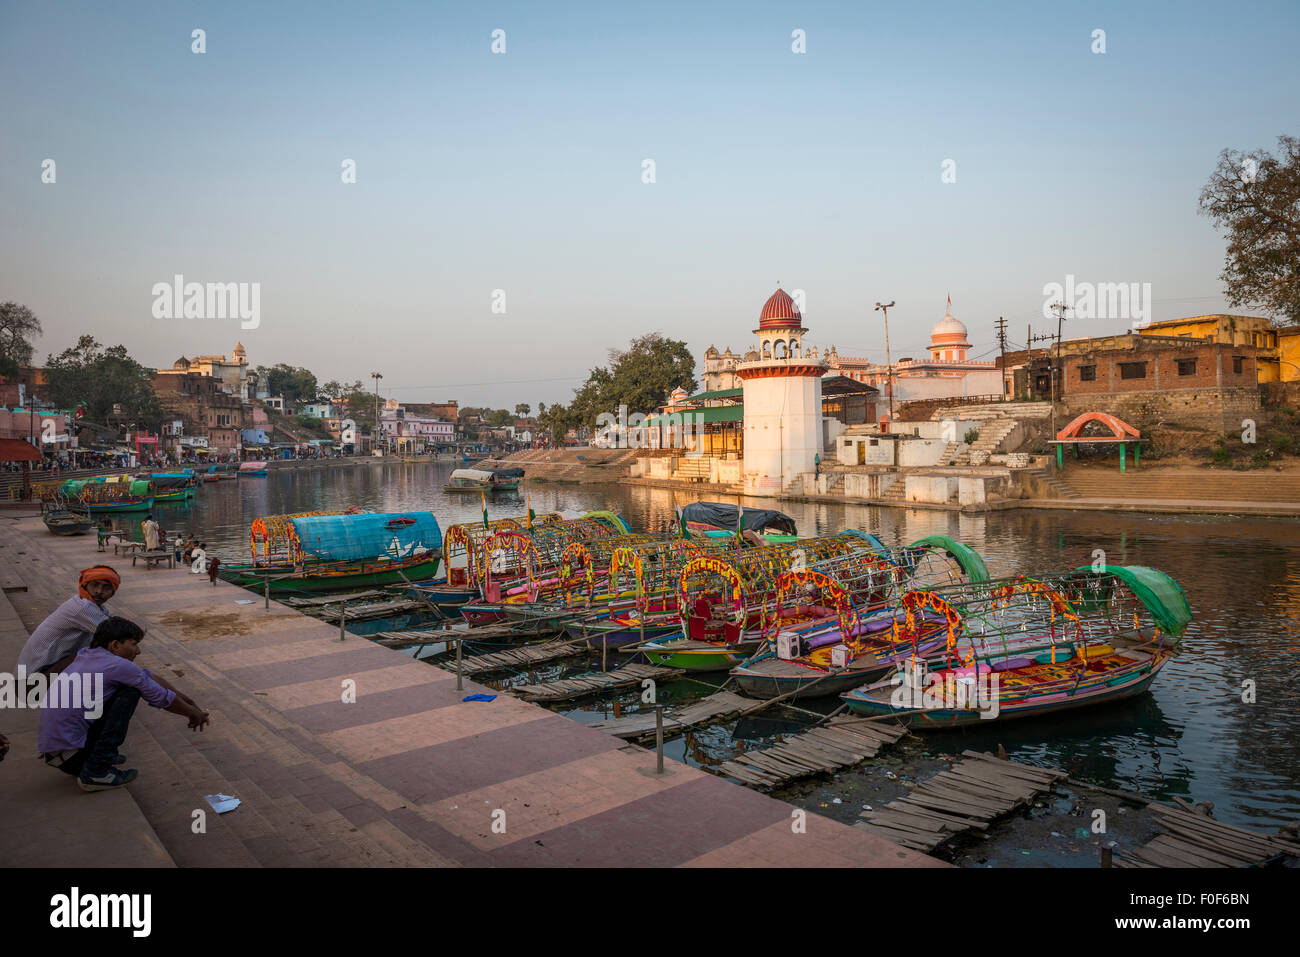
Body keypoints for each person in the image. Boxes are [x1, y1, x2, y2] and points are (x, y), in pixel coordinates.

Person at [37, 617, 210, 791]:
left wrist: (190, 702)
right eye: (134, 644)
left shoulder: (87, 655)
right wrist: (192, 713)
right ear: (115, 645)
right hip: (71, 757)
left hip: (59, 754)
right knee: (131, 692)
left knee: (133, 685)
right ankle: (96, 772)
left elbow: (148, 678)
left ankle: (98, 755)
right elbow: (161, 697)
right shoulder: (117, 665)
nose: (138, 650)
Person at [17, 567, 120, 676]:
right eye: (95, 585)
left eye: (107, 587)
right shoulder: (82, 607)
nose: (99, 591)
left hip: (39, 673)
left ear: (113, 592)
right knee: (113, 647)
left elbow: (115, 623)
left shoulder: (95, 606)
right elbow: (118, 633)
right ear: (85, 585)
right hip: (33, 679)